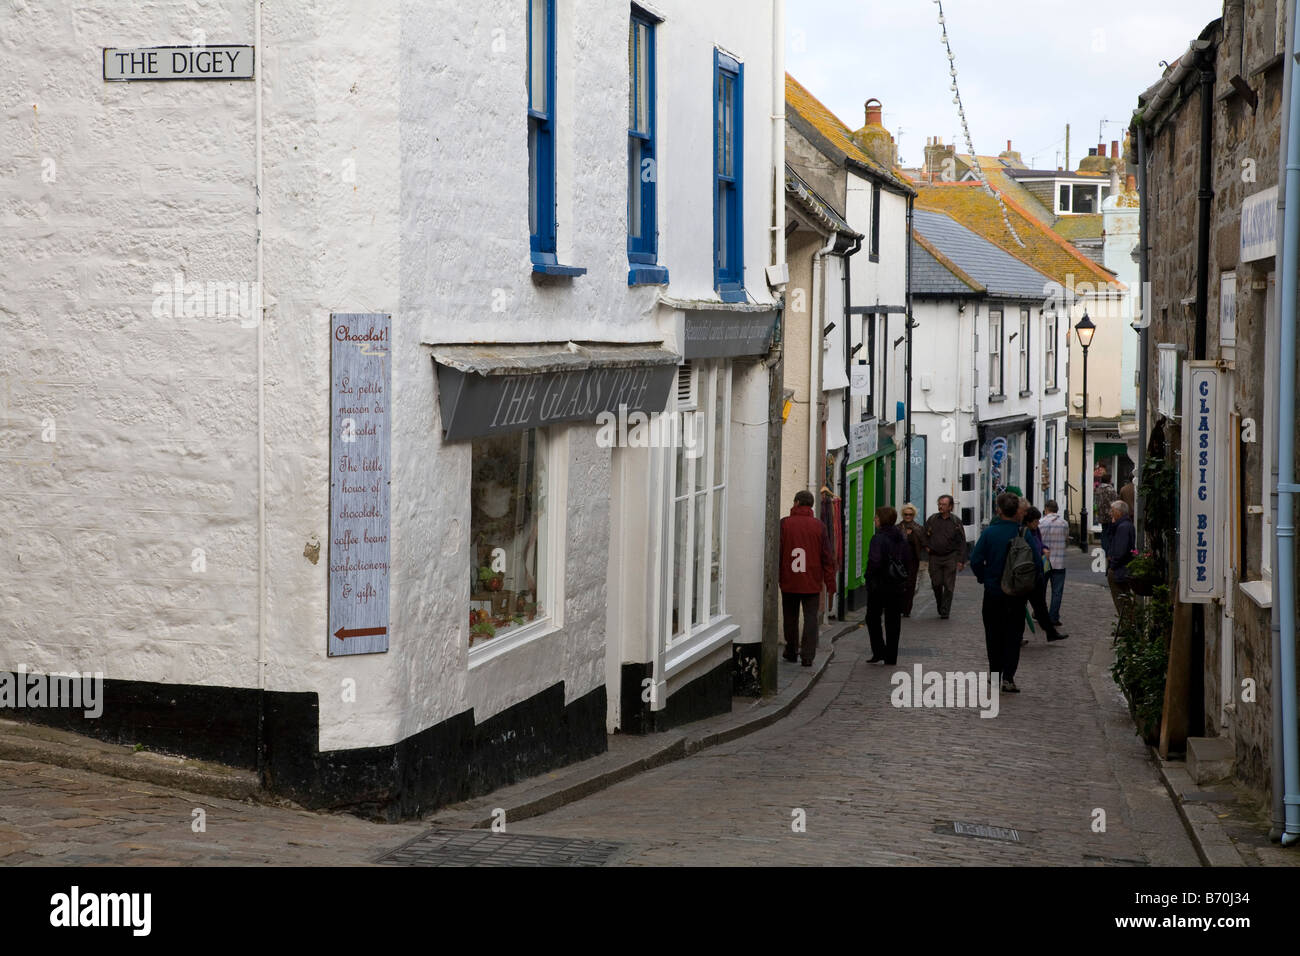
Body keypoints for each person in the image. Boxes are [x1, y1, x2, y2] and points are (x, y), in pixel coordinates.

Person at [969, 492, 1030, 694]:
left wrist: (984, 578)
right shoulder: (1024, 533)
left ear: (999, 510)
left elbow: (976, 560)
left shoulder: (989, 533)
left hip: (994, 592)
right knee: (1013, 636)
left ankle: (995, 675)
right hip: (1017, 594)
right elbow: (1036, 564)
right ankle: (1009, 678)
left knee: (993, 635)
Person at [779, 490, 836, 666]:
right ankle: (808, 655)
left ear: (796, 503)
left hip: (789, 579)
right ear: (811, 505)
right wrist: (830, 584)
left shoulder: (784, 524)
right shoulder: (819, 526)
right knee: (811, 618)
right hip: (811, 580)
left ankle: (791, 650)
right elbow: (827, 557)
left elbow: (777, 553)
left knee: (790, 617)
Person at [866, 506, 910, 665]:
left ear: (882, 519)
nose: (874, 520)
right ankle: (891, 656)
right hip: (897, 584)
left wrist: (868, 577)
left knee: (872, 618)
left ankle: (879, 651)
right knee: (893, 621)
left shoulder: (878, 538)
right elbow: (906, 559)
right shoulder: (901, 537)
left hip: (879, 584)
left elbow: (875, 561)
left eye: (876, 517)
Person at [1023, 506, 1068, 643]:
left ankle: (1050, 632)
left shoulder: (1035, 530)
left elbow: (1040, 544)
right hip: (1027, 573)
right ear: (1028, 521)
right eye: (1035, 522)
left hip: (1038, 572)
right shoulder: (1024, 532)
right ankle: (1018, 636)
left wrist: (1044, 549)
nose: (1037, 524)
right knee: (1025, 606)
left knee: (1040, 606)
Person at [924, 494, 967, 619]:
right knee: (936, 583)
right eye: (939, 504)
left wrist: (961, 560)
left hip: (950, 557)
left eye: (943, 504)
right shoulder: (932, 519)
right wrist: (926, 546)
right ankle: (940, 604)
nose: (940, 506)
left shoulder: (956, 522)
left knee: (948, 585)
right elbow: (924, 535)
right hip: (935, 557)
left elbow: (962, 541)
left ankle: (945, 610)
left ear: (950, 507)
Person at [1038, 500, 1069, 626]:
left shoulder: (1040, 523)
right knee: (1057, 591)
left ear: (1046, 509)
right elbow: (1066, 538)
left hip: (1045, 560)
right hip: (1059, 560)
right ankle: (1053, 617)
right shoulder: (1064, 523)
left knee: (1041, 590)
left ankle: (1041, 614)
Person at [1106, 499, 1137, 616]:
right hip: (1121, 566)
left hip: (1119, 568)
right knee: (1123, 598)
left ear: (1119, 512)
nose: (1110, 513)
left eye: (1112, 511)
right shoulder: (1123, 525)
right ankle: (1128, 623)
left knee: (1121, 598)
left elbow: (1120, 549)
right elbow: (1111, 537)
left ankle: (1127, 624)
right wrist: (1112, 524)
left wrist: (1113, 566)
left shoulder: (1123, 527)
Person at [898, 503, 927, 617]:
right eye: (905, 514)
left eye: (910, 514)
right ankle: (899, 606)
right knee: (900, 584)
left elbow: (924, 542)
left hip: (913, 560)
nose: (908, 516)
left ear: (913, 515)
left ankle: (907, 609)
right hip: (900, 560)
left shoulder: (919, 528)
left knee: (910, 585)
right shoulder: (898, 528)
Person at [1095, 467, 1117, 553]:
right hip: (1110, 515)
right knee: (1110, 533)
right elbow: (1115, 501)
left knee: (1104, 532)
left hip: (1101, 514)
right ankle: (1109, 550)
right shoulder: (1110, 489)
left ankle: (1104, 548)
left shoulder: (1098, 489)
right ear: (1109, 480)